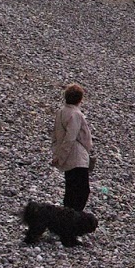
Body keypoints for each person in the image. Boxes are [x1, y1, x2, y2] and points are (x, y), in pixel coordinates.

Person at [51, 84, 94, 212]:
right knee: (82, 191)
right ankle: (72, 219)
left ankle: (66, 217)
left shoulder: (61, 112)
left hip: (68, 157)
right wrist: (61, 157)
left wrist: (57, 155)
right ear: (80, 99)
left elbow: (56, 136)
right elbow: (71, 137)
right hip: (77, 157)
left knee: (70, 189)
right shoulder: (75, 114)